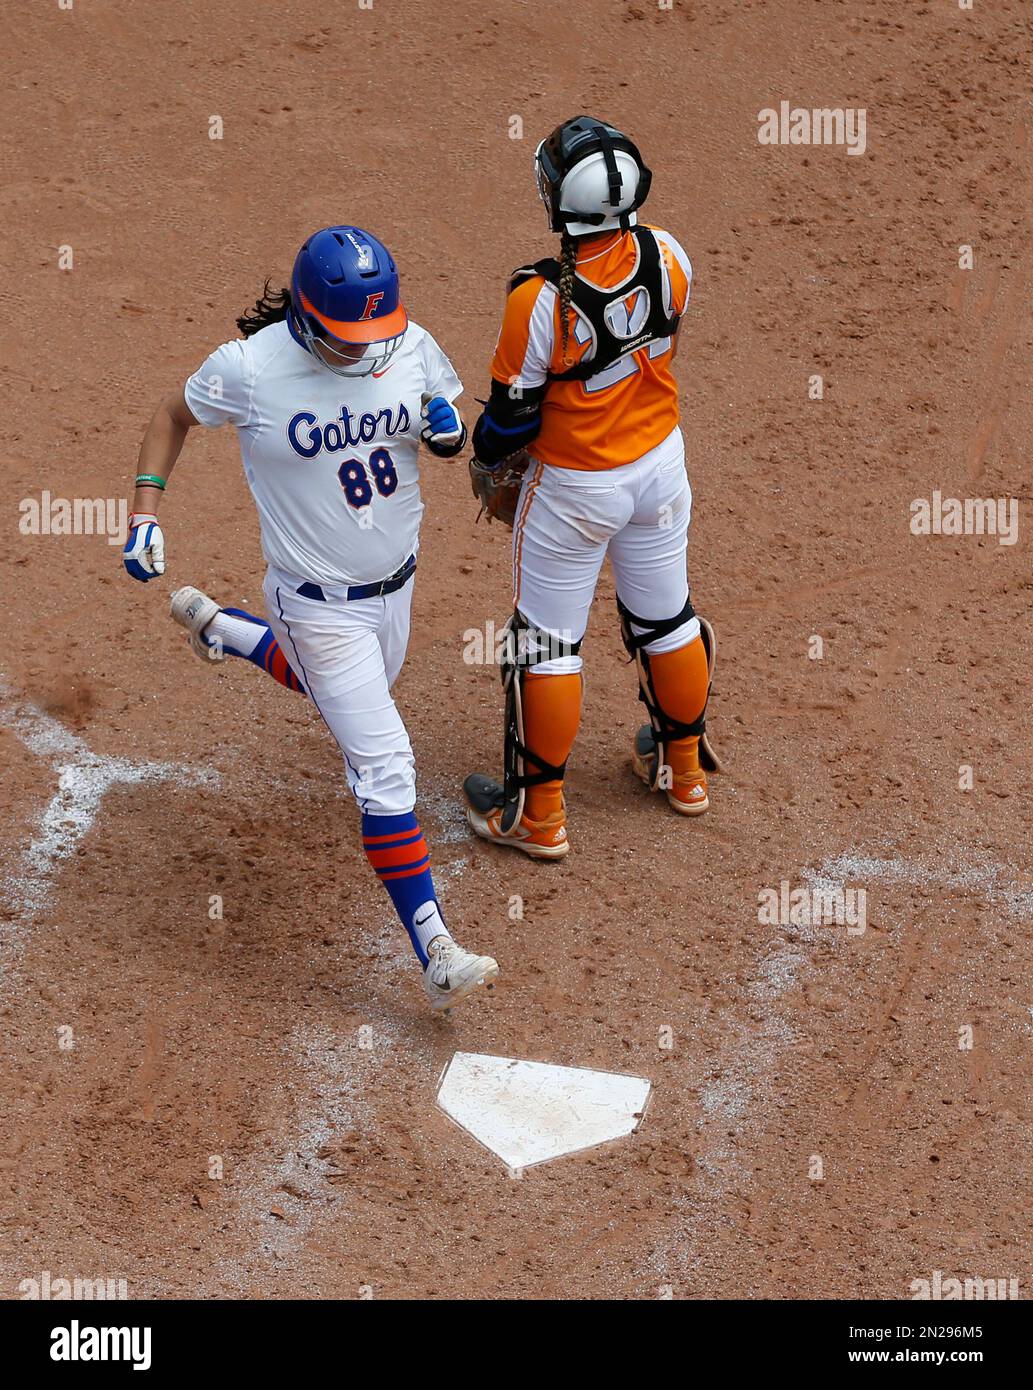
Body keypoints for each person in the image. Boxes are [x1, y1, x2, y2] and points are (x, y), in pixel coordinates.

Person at [122, 225, 498, 1011]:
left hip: (397, 589)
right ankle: (435, 948)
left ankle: (219, 628)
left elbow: (437, 410)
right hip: (315, 601)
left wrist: (444, 428)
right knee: (385, 763)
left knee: (332, 690)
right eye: (346, 336)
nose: (364, 351)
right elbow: (171, 414)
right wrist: (144, 512)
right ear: (302, 316)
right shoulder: (251, 371)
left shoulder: (409, 342)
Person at [462, 117, 721, 860]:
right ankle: (683, 772)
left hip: (574, 489)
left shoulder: (537, 296)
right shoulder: (669, 254)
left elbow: (510, 418)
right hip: (659, 467)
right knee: (666, 617)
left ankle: (539, 817)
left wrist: (482, 460)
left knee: (544, 642)